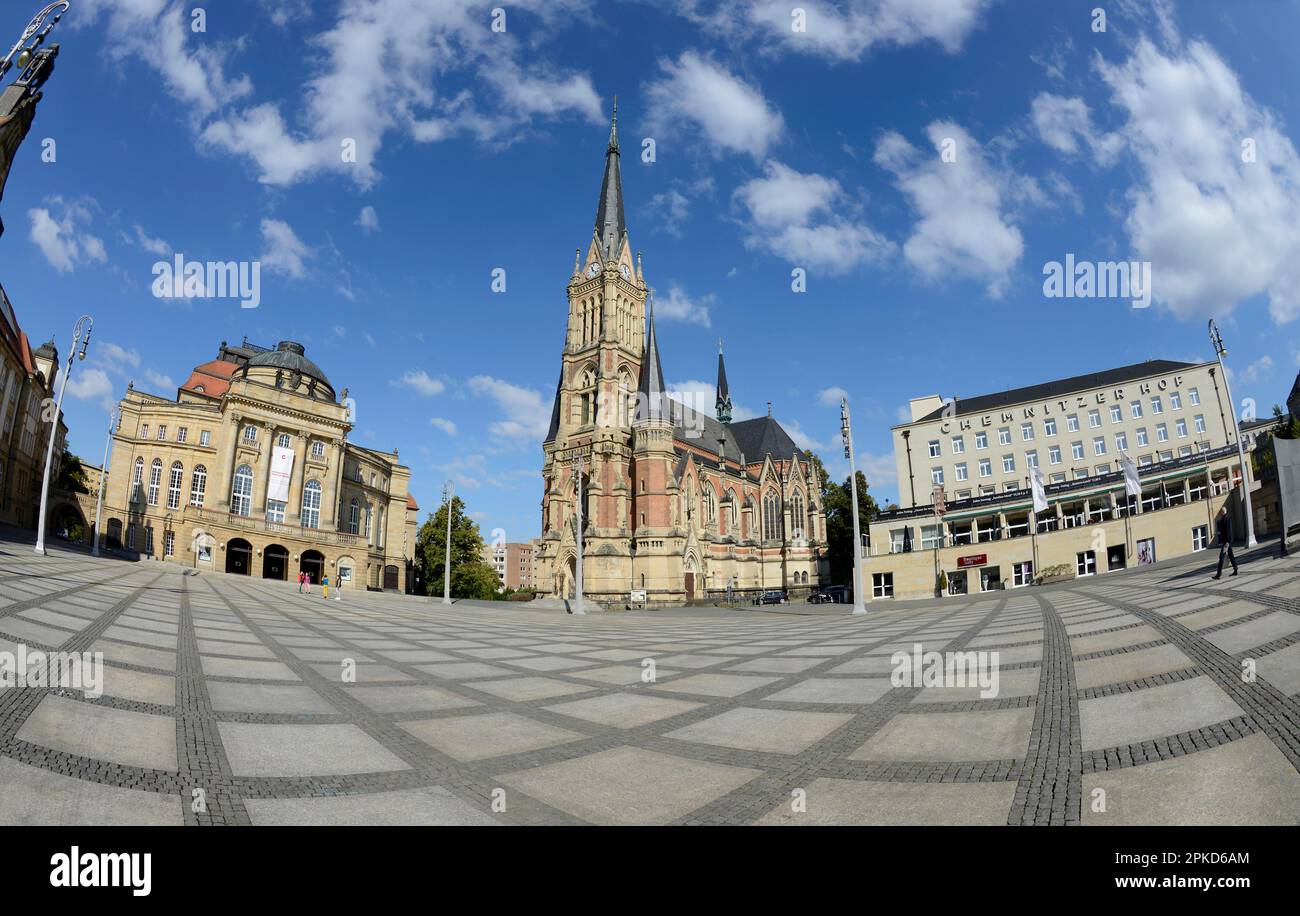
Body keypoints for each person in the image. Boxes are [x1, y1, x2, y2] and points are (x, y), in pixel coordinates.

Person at [1213, 506, 1238, 579]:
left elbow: (1228, 531)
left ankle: (1218, 574)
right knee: (1231, 555)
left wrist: (1227, 542)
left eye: (1220, 512)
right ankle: (1235, 570)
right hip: (1227, 542)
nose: (1220, 513)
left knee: (1221, 557)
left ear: (1223, 512)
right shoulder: (1225, 518)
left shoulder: (1226, 519)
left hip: (1226, 543)